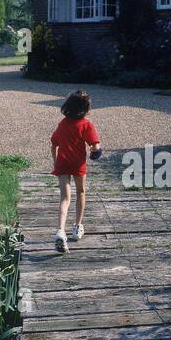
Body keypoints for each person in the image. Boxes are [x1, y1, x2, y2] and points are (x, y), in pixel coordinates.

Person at [50, 90, 101, 253]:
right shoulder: (86, 124)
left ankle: (60, 230)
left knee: (64, 198)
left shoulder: (62, 124)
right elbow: (95, 146)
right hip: (78, 164)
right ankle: (77, 227)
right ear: (85, 108)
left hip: (62, 164)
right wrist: (96, 151)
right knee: (80, 192)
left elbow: (54, 144)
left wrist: (55, 163)